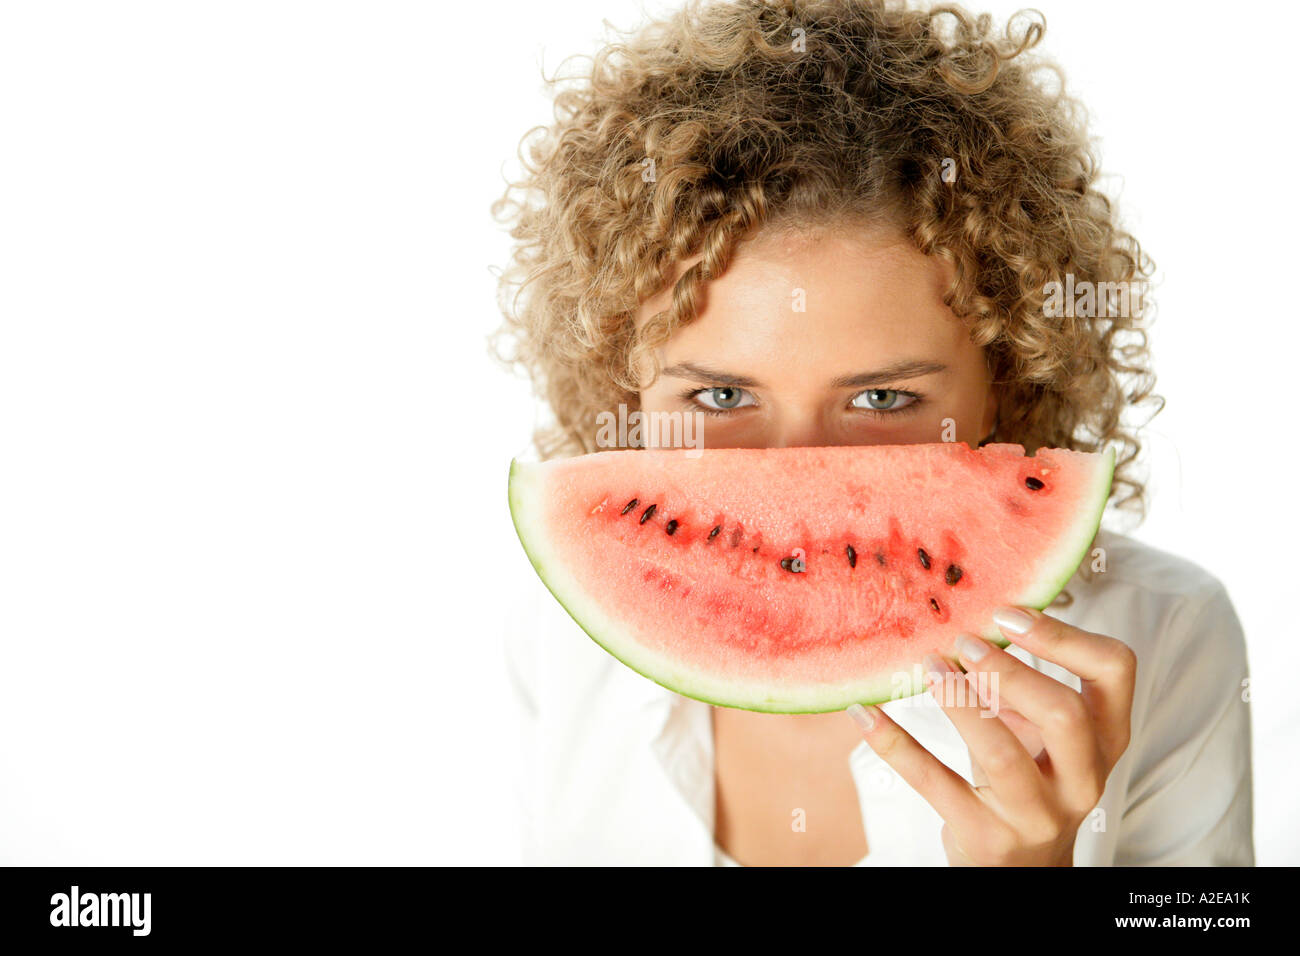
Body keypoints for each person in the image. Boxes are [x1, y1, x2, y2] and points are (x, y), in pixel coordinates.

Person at [492, 0, 1253, 865]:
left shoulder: (1164, 639)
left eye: (884, 398)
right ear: (621, 385)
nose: (799, 483)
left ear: (1009, 377)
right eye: (721, 396)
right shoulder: (560, 637)